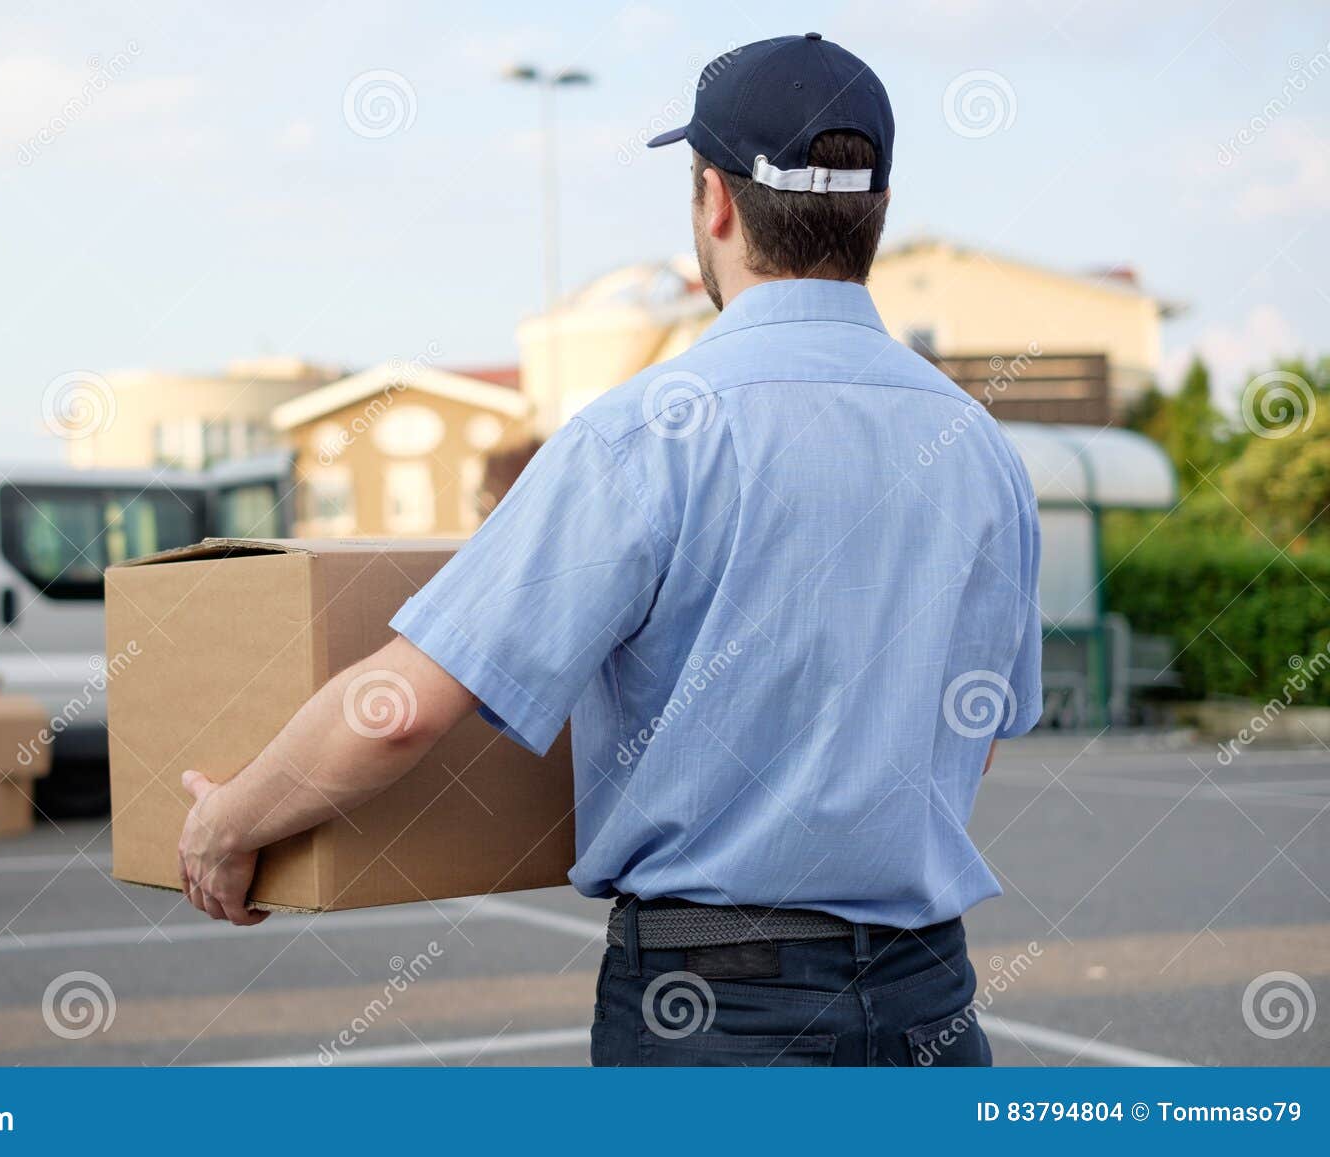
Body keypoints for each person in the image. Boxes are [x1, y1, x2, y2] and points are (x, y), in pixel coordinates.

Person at [177, 33, 1041, 1067]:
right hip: (928, 1005)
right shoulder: (979, 448)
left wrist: (227, 824)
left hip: (714, 1014)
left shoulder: (645, 434)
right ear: (878, 211)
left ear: (713, 203)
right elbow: (976, 729)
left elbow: (400, 708)